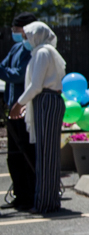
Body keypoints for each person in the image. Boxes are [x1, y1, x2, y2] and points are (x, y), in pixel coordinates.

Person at [9, 21, 66, 214]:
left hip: (46, 101)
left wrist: (20, 103)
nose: (24, 39)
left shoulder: (43, 52)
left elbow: (35, 86)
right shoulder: (42, 51)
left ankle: (46, 202)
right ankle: (46, 199)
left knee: (46, 154)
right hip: (45, 101)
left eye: (27, 35)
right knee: (44, 153)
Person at [2, 11, 38, 210]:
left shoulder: (32, 49)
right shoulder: (16, 48)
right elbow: (6, 68)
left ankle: (30, 194)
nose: (15, 33)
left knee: (27, 152)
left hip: (24, 109)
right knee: (14, 155)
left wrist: (3, 72)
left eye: (17, 30)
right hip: (11, 107)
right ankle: (20, 193)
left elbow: (19, 75)